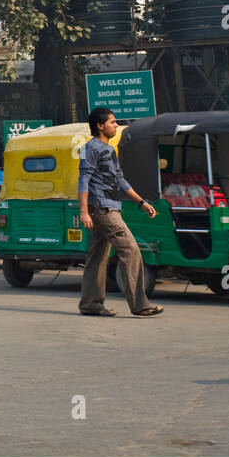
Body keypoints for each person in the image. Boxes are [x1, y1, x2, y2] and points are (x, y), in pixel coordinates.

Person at [78, 107, 161, 317]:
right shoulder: (91, 148)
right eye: (112, 122)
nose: (116, 125)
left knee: (97, 257)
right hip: (102, 209)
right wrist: (84, 211)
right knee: (130, 250)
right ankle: (140, 304)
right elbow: (83, 179)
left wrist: (141, 202)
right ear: (100, 125)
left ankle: (91, 304)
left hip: (111, 206)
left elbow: (120, 180)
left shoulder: (109, 150)